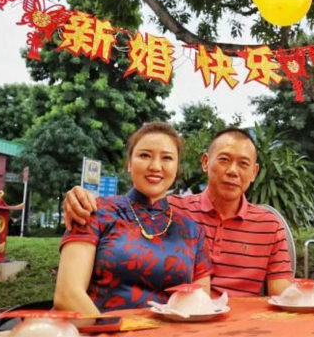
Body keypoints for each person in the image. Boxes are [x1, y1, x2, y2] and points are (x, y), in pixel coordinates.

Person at [63, 127, 293, 297]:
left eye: (243, 164)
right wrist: (81, 197)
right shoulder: (172, 211)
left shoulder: (269, 225)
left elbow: (282, 293)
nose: (232, 171)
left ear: (254, 172)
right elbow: (134, 205)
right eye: (224, 160)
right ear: (205, 162)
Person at [54, 122, 211, 315]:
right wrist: (110, 329)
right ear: (129, 163)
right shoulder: (93, 211)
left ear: (177, 167)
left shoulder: (193, 232)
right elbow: (67, 295)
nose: (155, 166)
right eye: (144, 155)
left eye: (167, 158)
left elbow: (201, 305)